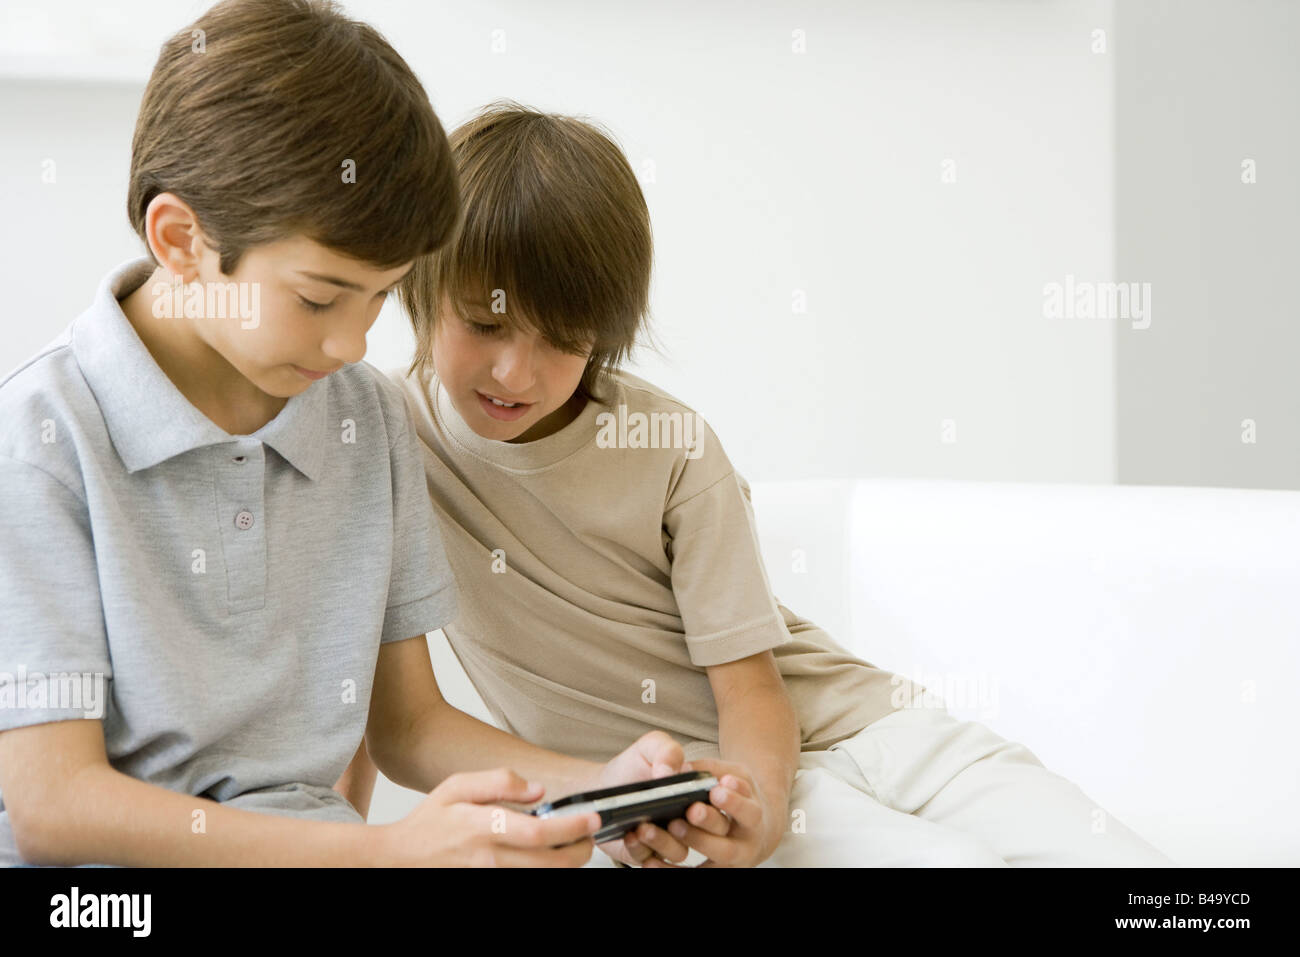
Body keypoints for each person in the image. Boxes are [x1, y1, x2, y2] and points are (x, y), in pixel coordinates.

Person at [368, 100, 1177, 867]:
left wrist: (757, 804)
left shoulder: (670, 446)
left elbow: (755, 691)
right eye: (484, 324)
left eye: (563, 339)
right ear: (416, 285)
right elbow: (390, 723)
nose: (516, 370)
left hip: (864, 733)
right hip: (701, 792)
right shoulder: (383, 437)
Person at [0, 0, 690, 868]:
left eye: (380, 296)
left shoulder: (364, 415)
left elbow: (407, 727)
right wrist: (389, 853)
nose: (353, 343)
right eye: (320, 298)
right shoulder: (40, 439)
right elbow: (53, 807)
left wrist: (596, 788)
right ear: (181, 240)